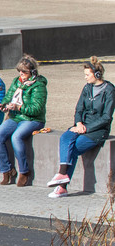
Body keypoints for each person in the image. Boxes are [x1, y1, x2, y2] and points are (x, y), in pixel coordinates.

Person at [48, 57, 114, 198]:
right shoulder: (87, 88)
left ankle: (62, 185)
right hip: (81, 126)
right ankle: (62, 175)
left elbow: (107, 117)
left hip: (97, 131)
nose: (85, 78)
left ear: (97, 74)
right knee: (66, 137)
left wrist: (86, 129)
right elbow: (79, 108)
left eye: (87, 75)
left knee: (74, 147)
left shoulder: (109, 90)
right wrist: (78, 124)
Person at [0, 55, 46, 187]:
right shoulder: (17, 82)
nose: (21, 75)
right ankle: (7, 170)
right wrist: (4, 105)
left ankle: (24, 171)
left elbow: (37, 109)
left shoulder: (38, 86)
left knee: (16, 137)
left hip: (32, 119)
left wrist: (19, 107)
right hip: (15, 117)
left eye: (24, 72)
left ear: (32, 72)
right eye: (20, 72)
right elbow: (9, 96)